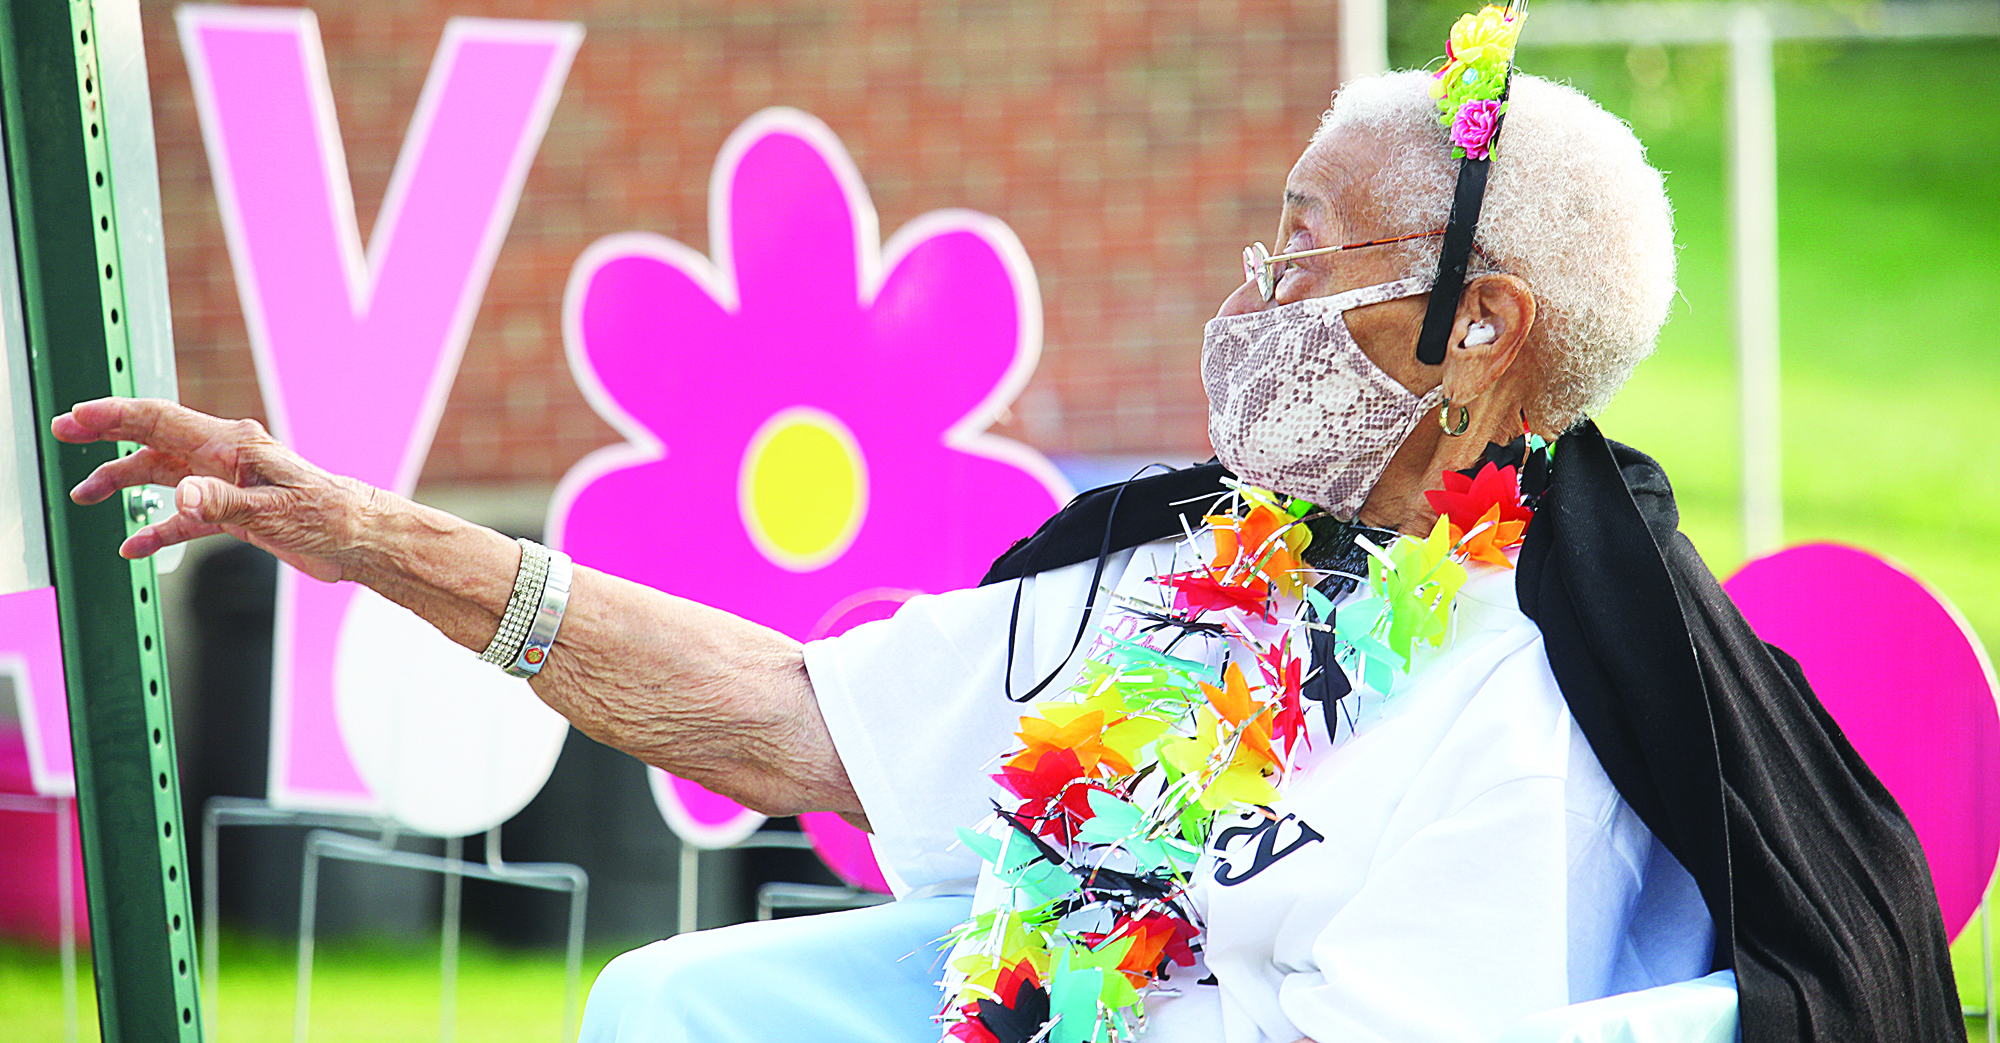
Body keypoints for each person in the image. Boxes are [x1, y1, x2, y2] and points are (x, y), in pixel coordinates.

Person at [56, 63, 1958, 1043]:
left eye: (1306, 252)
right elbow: (790, 717)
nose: (1254, 296)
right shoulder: (1200, 570)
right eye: (1266, 243)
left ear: (1479, 326)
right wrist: (372, 536)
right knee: (668, 1004)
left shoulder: (1538, 715)